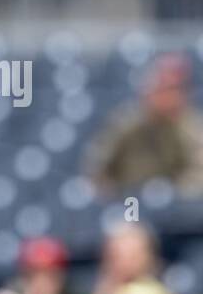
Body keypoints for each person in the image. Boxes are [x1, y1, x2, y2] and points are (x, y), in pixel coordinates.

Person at [87, 54, 203, 195]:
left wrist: (170, 195)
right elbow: (98, 167)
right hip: (129, 203)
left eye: (173, 89)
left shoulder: (191, 126)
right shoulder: (128, 122)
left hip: (176, 208)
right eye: (160, 88)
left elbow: (198, 174)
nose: (165, 96)